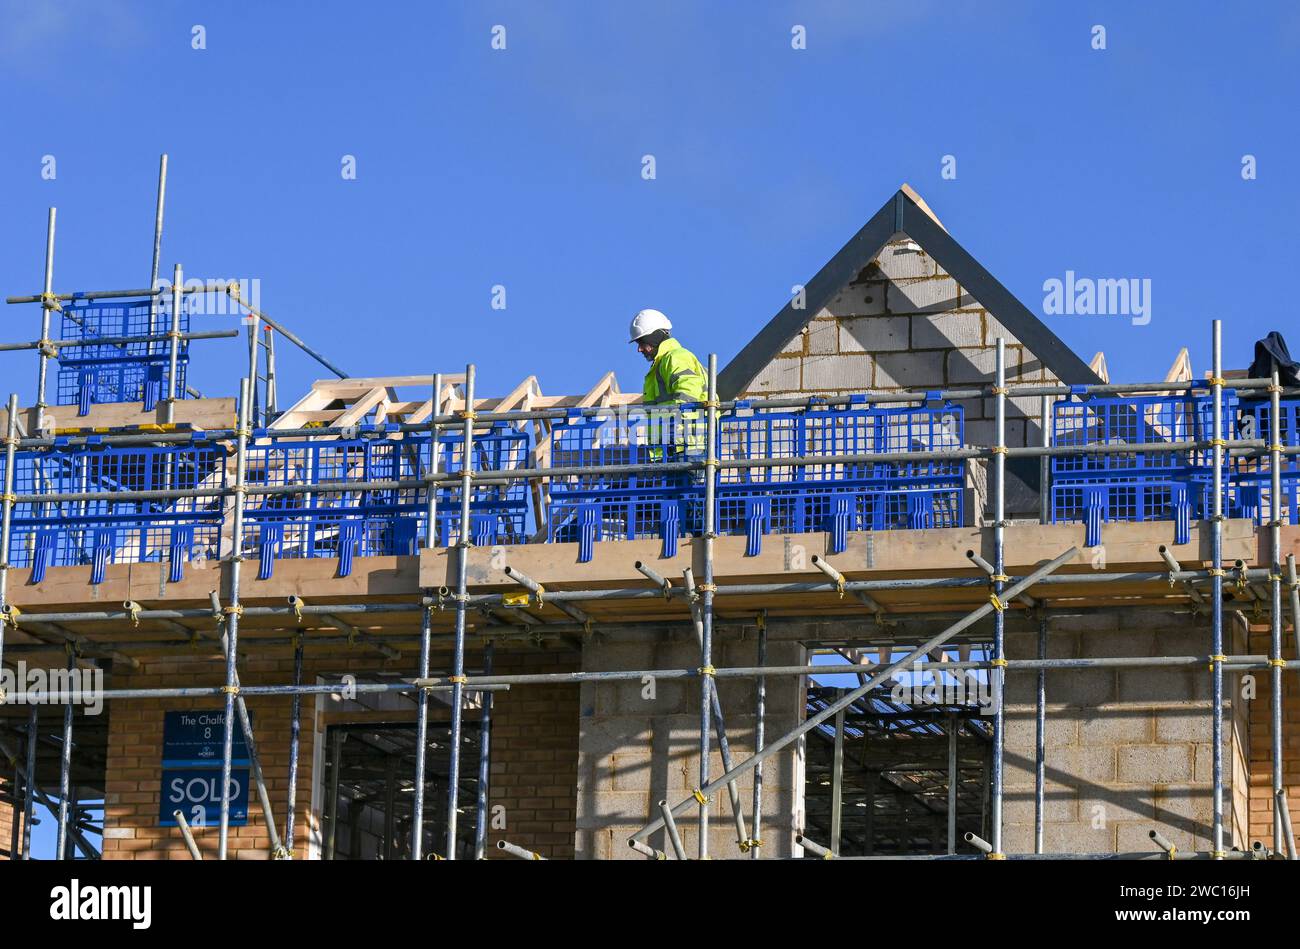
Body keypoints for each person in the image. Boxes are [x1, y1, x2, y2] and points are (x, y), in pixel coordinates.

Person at [628, 308, 706, 463]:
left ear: (655, 337)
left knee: (691, 486)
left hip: (688, 445)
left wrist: (676, 434)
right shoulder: (662, 364)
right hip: (674, 446)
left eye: (642, 342)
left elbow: (688, 398)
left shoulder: (676, 358)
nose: (639, 349)